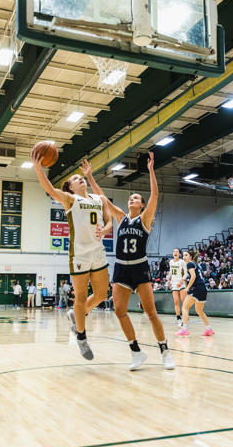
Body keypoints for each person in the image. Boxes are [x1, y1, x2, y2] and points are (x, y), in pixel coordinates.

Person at [83, 152, 175, 370]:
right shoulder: (121, 217)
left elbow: (154, 196)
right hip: (121, 269)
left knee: (151, 313)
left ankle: (165, 352)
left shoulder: (145, 218)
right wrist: (90, 177)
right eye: (130, 197)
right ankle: (136, 352)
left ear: (142, 205)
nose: (132, 199)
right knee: (119, 311)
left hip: (140, 268)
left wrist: (151, 170)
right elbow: (102, 197)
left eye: (136, 198)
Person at [31, 151, 112, 360]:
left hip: (98, 252)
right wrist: (39, 169)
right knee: (81, 296)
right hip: (80, 254)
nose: (79, 178)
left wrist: (106, 229)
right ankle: (82, 338)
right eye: (75, 179)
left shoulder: (99, 198)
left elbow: (109, 219)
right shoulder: (69, 199)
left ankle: (77, 314)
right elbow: (48, 188)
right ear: (70, 187)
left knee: (102, 295)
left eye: (80, 177)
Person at [176, 250, 213, 337]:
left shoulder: (190, 264)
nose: (184, 257)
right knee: (199, 310)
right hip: (203, 289)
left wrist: (187, 288)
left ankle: (184, 329)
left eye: (186, 255)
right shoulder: (195, 265)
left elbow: (193, 276)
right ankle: (209, 329)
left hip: (196, 288)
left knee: (185, 307)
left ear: (191, 257)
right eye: (183, 255)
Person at [167, 248, 187, 326]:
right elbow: (171, 272)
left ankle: (185, 317)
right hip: (174, 283)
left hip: (181, 283)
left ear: (179, 254)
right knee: (176, 301)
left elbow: (185, 274)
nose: (175, 252)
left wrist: (181, 281)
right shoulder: (171, 262)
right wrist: (168, 279)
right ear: (173, 254)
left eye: (177, 251)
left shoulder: (182, 262)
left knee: (183, 301)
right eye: (174, 251)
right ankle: (179, 318)